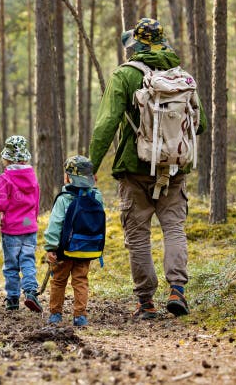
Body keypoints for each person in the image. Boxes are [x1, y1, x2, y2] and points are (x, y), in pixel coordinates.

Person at [89, 18, 207, 319]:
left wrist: (91, 166)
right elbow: (201, 124)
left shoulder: (125, 75)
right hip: (174, 170)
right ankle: (177, 289)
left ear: (136, 46)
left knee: (138, 236)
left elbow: (106, 124)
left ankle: (145, 302)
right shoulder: (183, 77)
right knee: (174, 229)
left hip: (135, 168)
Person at [44, 156, 104, 327]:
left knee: (58, 281)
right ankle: (80, 316)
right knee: (81, 280)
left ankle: (55, 314)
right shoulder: (96, 196)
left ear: (68, 177)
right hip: (87, 248)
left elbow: (55, 223)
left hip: (64, 249)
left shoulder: (64, 198)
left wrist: (51, 247)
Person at [0, 136, 42, 312]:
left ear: (6, 158)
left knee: (11, 265)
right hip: (29, 226)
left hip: (12, 229)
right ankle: (31, 291)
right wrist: (33, 220)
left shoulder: (5, 178)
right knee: (28, 260)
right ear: (25, 157)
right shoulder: (32, 177)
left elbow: (0, 204)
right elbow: (36, 203)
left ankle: (12, 298)